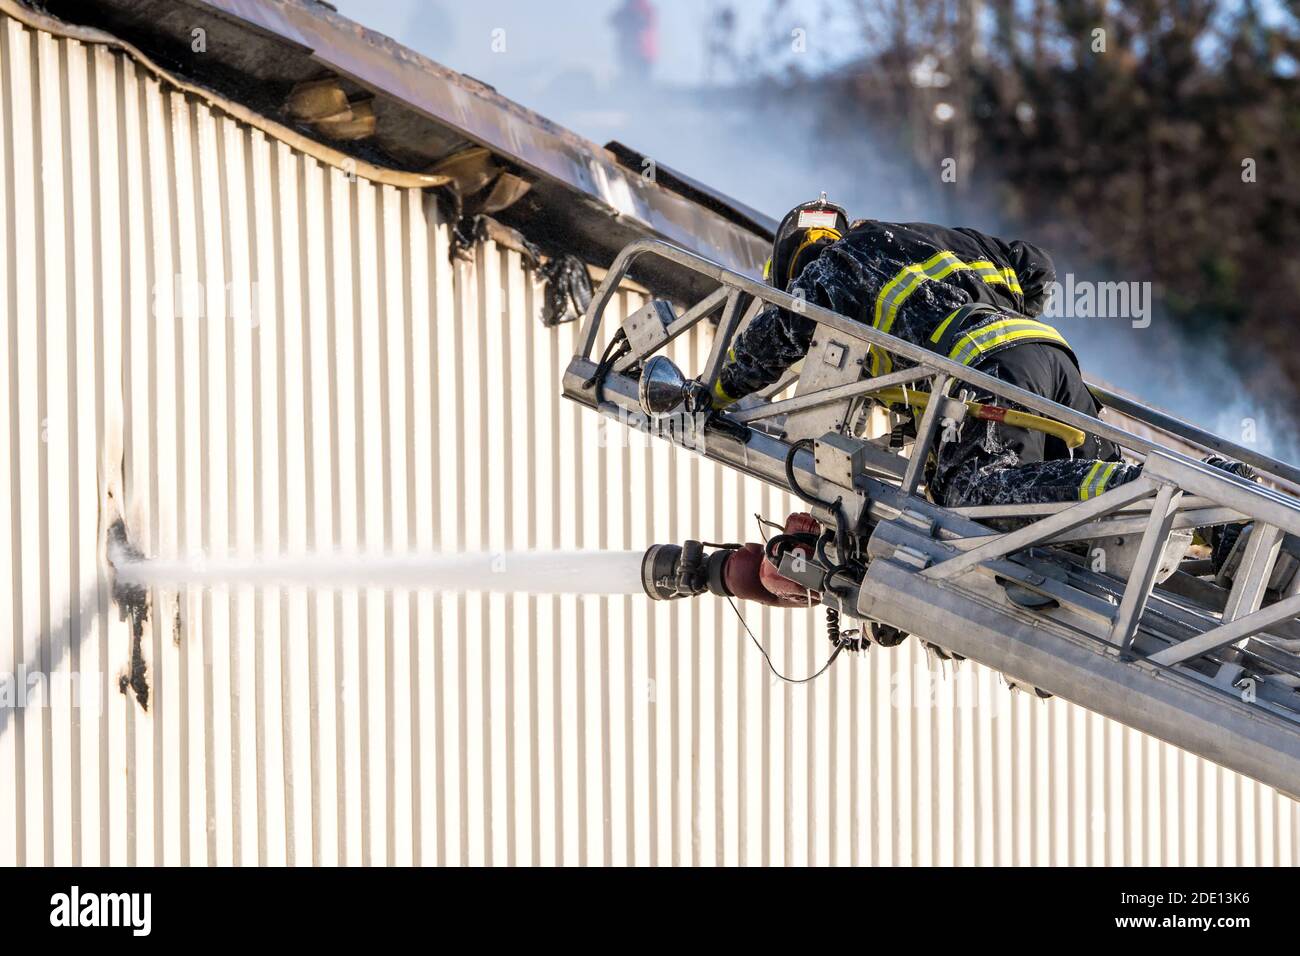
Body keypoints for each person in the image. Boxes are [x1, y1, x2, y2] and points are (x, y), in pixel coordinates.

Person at [710, 195, 1146, 508]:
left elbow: (784, 327)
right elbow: (1036, 268)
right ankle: (1204, 510)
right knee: (1102, 522)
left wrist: (713, 394)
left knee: (975, 494)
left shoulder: (838, 264)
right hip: (1053, 361)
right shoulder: (934, 240)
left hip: (985, 369)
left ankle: (1145, 486)